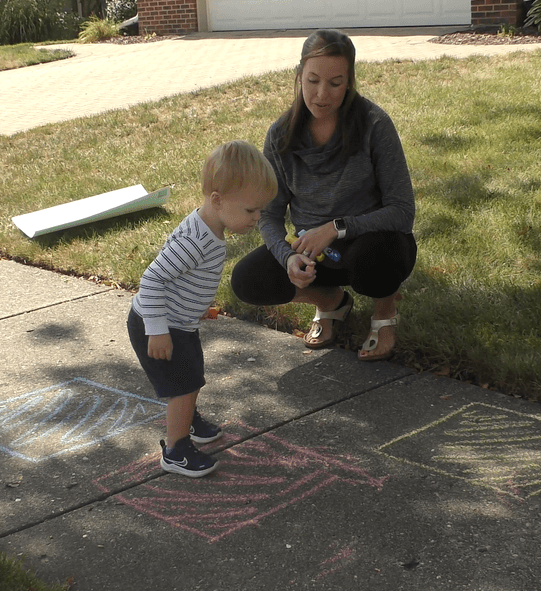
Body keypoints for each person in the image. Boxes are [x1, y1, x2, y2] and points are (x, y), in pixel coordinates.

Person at [230, 29, 417, 362]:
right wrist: (288, 257)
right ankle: (331, 303)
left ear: (349, 83)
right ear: (299, 76)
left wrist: (334, 228)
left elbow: (402, 211)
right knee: (248, 280)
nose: (321, 94)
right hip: (315, 255)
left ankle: (384, 314)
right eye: (313, 80)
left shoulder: (375, 124)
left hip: (371, 242)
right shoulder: (279, 134)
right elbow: (270, 214)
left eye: (335, 83)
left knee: (375, 260)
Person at [128, 140, 278, 477]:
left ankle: (188, 419)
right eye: (251, 211)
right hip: (161, 326)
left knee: (190, 379)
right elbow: (151, 280)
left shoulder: (210, 224)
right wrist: (157, 329)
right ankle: (176, 450)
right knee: (183, 385)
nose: (257, 219)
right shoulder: (197, 241)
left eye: (260, 211)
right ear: (217, 200)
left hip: (178, 322)